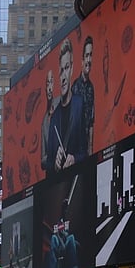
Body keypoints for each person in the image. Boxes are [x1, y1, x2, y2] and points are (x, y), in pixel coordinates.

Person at [40, 38, 87, 173]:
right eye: (61, 70)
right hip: (59, 190)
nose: (64, 76)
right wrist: (55, 164)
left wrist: (75, 159)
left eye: (66, 68)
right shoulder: (54, 118)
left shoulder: (79, 105)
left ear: (72, 69)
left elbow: (88, 152)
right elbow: (48, 165)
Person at [72, 35, 95, 153]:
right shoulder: (75, 87)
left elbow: (91, 121)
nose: (89, 60)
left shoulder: (91, 88)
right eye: (87, 55)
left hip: (86, 150)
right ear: (82, 61)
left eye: (91, 55)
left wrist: (90, 149)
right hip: (75, 149)